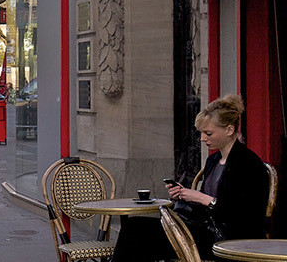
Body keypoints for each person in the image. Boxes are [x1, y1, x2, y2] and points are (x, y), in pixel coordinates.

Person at [111, 94, 270, 261]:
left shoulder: (248, 163)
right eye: (202, 133)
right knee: (134, 226)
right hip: (203, 231)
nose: (202, 138)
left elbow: (246, 216)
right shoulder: (213, 160)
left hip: (228, 240)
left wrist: (203, 198)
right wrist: (184, 195)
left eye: (208, 133)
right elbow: (203, 208)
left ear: (229, 130)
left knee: (138, 234)